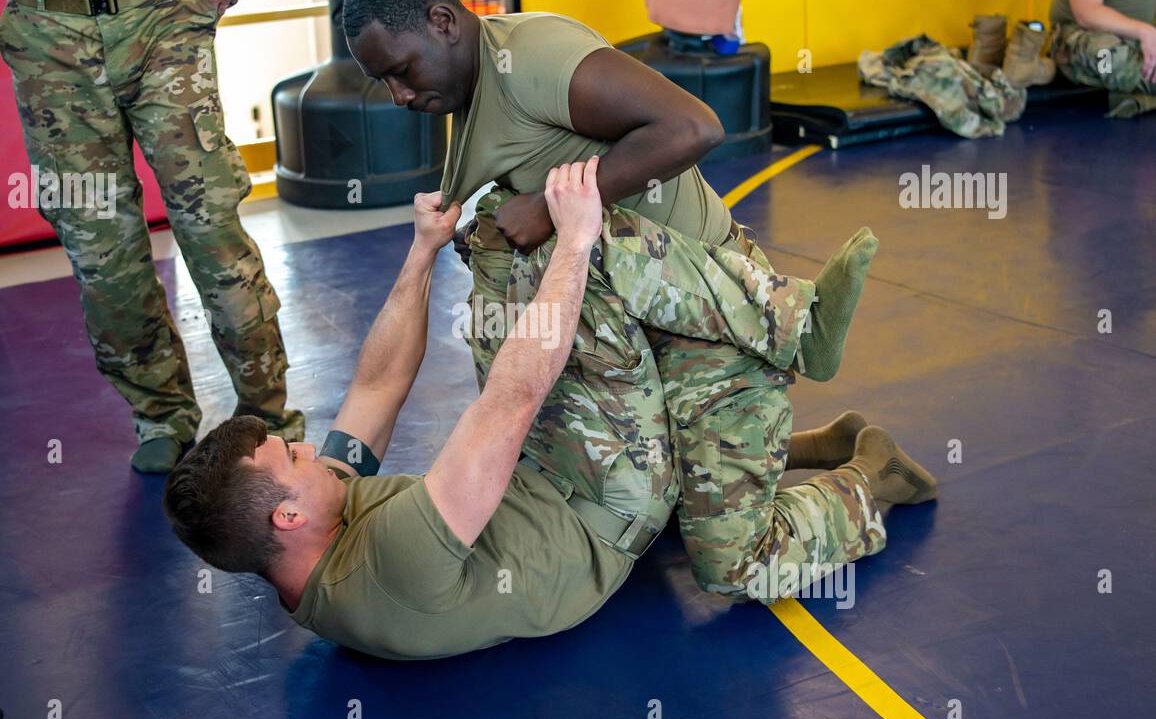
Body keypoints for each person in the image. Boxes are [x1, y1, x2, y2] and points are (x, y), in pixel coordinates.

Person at [162, 159, 936, 661]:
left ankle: (790, 438)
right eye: (292, 460)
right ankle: (850, 432)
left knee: (498, 234)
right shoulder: (387, 567)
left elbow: (375, 388)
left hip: (548, 469)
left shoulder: (306, 535)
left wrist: (425, 249)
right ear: (286, 519)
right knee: (582, 274)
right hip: (609, 500)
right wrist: (573, 240)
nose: (309, 451)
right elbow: (513, 400)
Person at [339, 0, 890, 595]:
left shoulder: (536, 57)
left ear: (443, 21)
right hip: (623, 319)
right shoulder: (469, 92)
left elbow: (694, 126)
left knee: (734, 567)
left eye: (401, 73)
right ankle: (800, 444)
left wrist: (548, 208)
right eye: (384, 82)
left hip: (704, 319)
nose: (399, 97)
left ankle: (871, 468)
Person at [0, 0, 304, 473]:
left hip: (163, 19)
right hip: (49, 40)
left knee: (211, 230)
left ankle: (268, 418)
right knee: (103, 253)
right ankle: (161, 415)